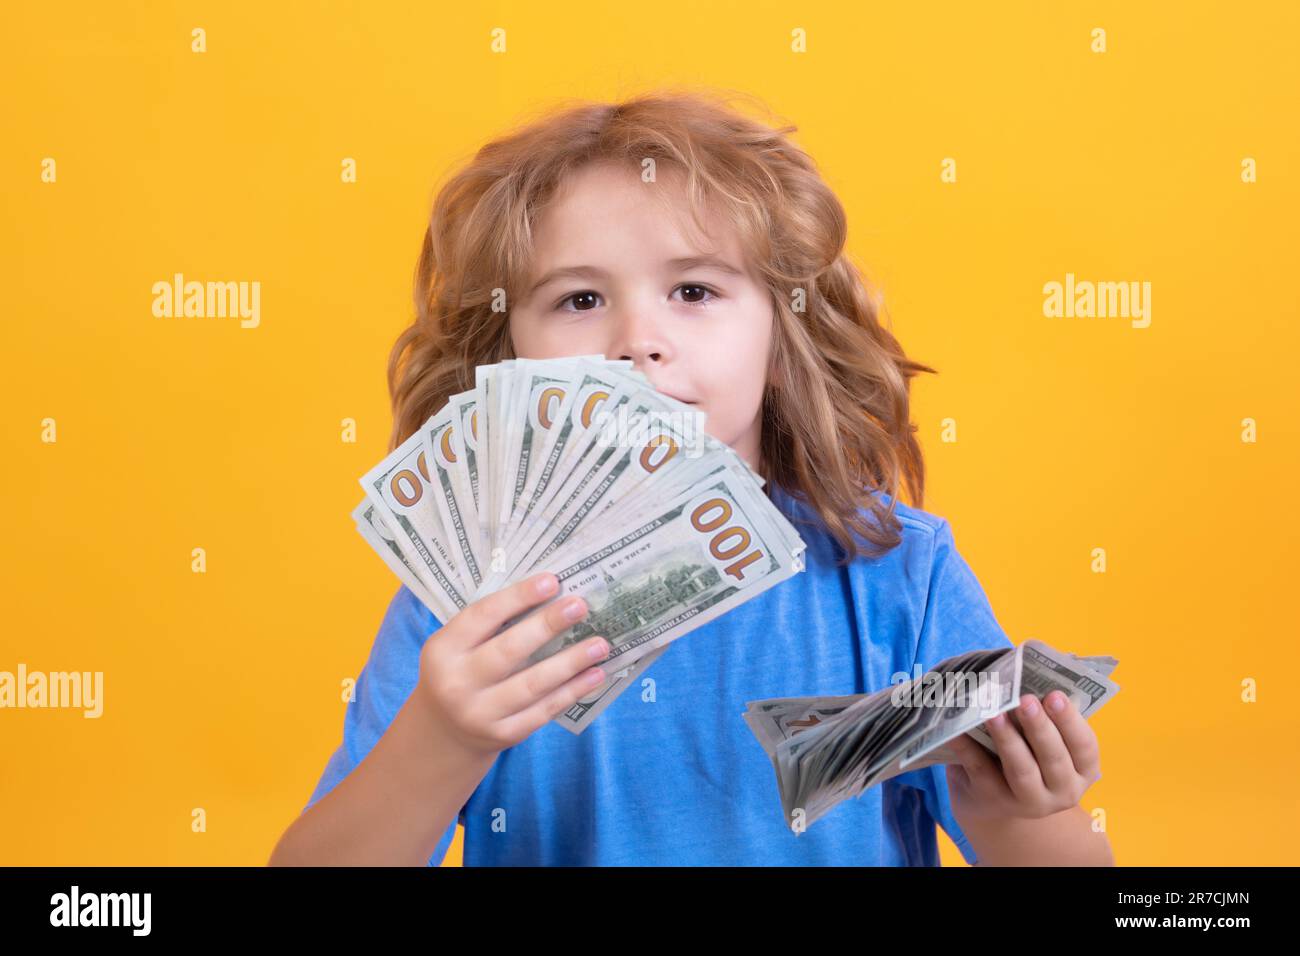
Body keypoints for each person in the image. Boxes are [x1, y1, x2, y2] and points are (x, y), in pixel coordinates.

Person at [269, 89, 1113, 866]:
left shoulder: (900, 574)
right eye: (579, 300)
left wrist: (1017, 807)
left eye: (695, 290)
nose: (639, 339)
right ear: (507, 362)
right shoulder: (468, 613)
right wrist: (443, 738)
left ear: (783, 341)